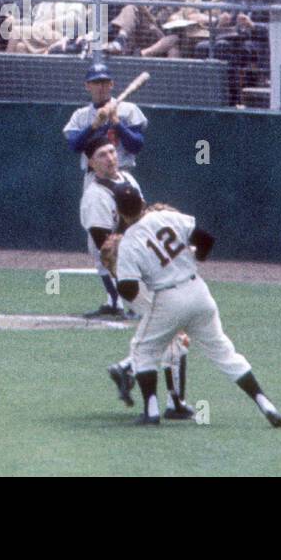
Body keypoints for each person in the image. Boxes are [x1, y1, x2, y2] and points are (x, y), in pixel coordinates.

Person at [106, 185, 281, 428]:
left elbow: (128, 288)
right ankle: (265, 402)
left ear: (118, 212)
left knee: (142, 351)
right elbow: (205, 239)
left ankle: (151, 411)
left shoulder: (129, 241)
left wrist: (142, 280)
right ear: (142, 200)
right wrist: (195, 257)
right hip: (198, 291)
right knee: (224, 352)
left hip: (167, 298)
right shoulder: (167, 216)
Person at [80, 136, 194, 420]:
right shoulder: (94, 196)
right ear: (92, 164)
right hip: (130, 273)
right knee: (174, 329)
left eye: (111, 151)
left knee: (172, 330)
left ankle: (141, 378)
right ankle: (166, 397)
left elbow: (139, 218)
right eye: (102, 155)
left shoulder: (128, 179)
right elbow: (105, 244)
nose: (110, 157)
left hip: (149, 267)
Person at [62, 63, 148, 318]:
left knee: (135, 237)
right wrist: (94, 126)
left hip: (124, 177)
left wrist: (115, 123)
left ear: (112, 85)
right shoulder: (81, 115)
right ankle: (114, 300)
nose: (100, 86)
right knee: (98, 243)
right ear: (87, 86)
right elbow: (74, 146)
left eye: (104, 82)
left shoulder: (129, 110)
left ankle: (138, 298)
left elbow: (137, 144)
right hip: (95, 181)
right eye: (95, 82)